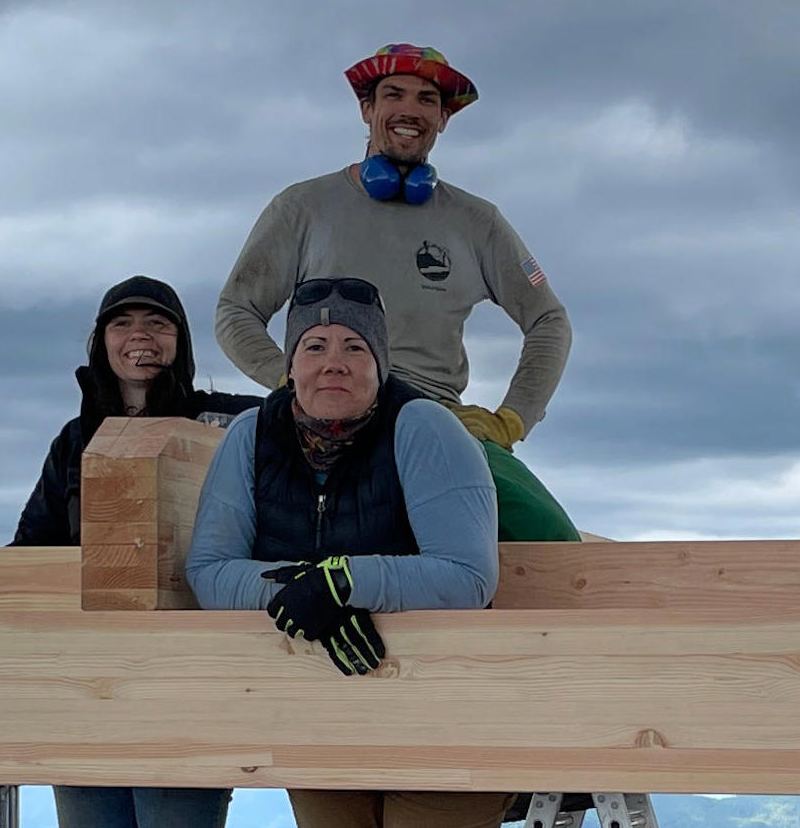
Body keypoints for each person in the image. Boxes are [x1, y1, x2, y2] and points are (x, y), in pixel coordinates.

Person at [186, 274, 503, 828]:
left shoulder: (425, 430)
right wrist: (303, 595)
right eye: (313, 348)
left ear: (381, 360)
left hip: (448, 722)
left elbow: (469, 575)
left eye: (353, 348)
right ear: (288, 364)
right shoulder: (250, 438)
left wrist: (346, 580)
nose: (333, 363)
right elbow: (209, 570)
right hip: (319, 715)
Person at [11, 276, 241, 828]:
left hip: (185, 693)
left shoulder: (222, 426)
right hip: (87, 699)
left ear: (180, 340)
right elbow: (31, 550)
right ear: (99, 341)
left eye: (157, 324)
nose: (139, 338)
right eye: (122, 324)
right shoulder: (75, 440)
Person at [213, 42, 578, 539]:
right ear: (367, 109)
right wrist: (292, 381)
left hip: (433, 419)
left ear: (444, 118)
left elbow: (548, 321)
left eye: (427, 100)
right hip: (321, 417)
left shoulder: (477, 222)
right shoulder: (303, 207)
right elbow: (237, 310)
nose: (410, 110)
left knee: (549, 537)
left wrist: (512, 419)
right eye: (394, 95)